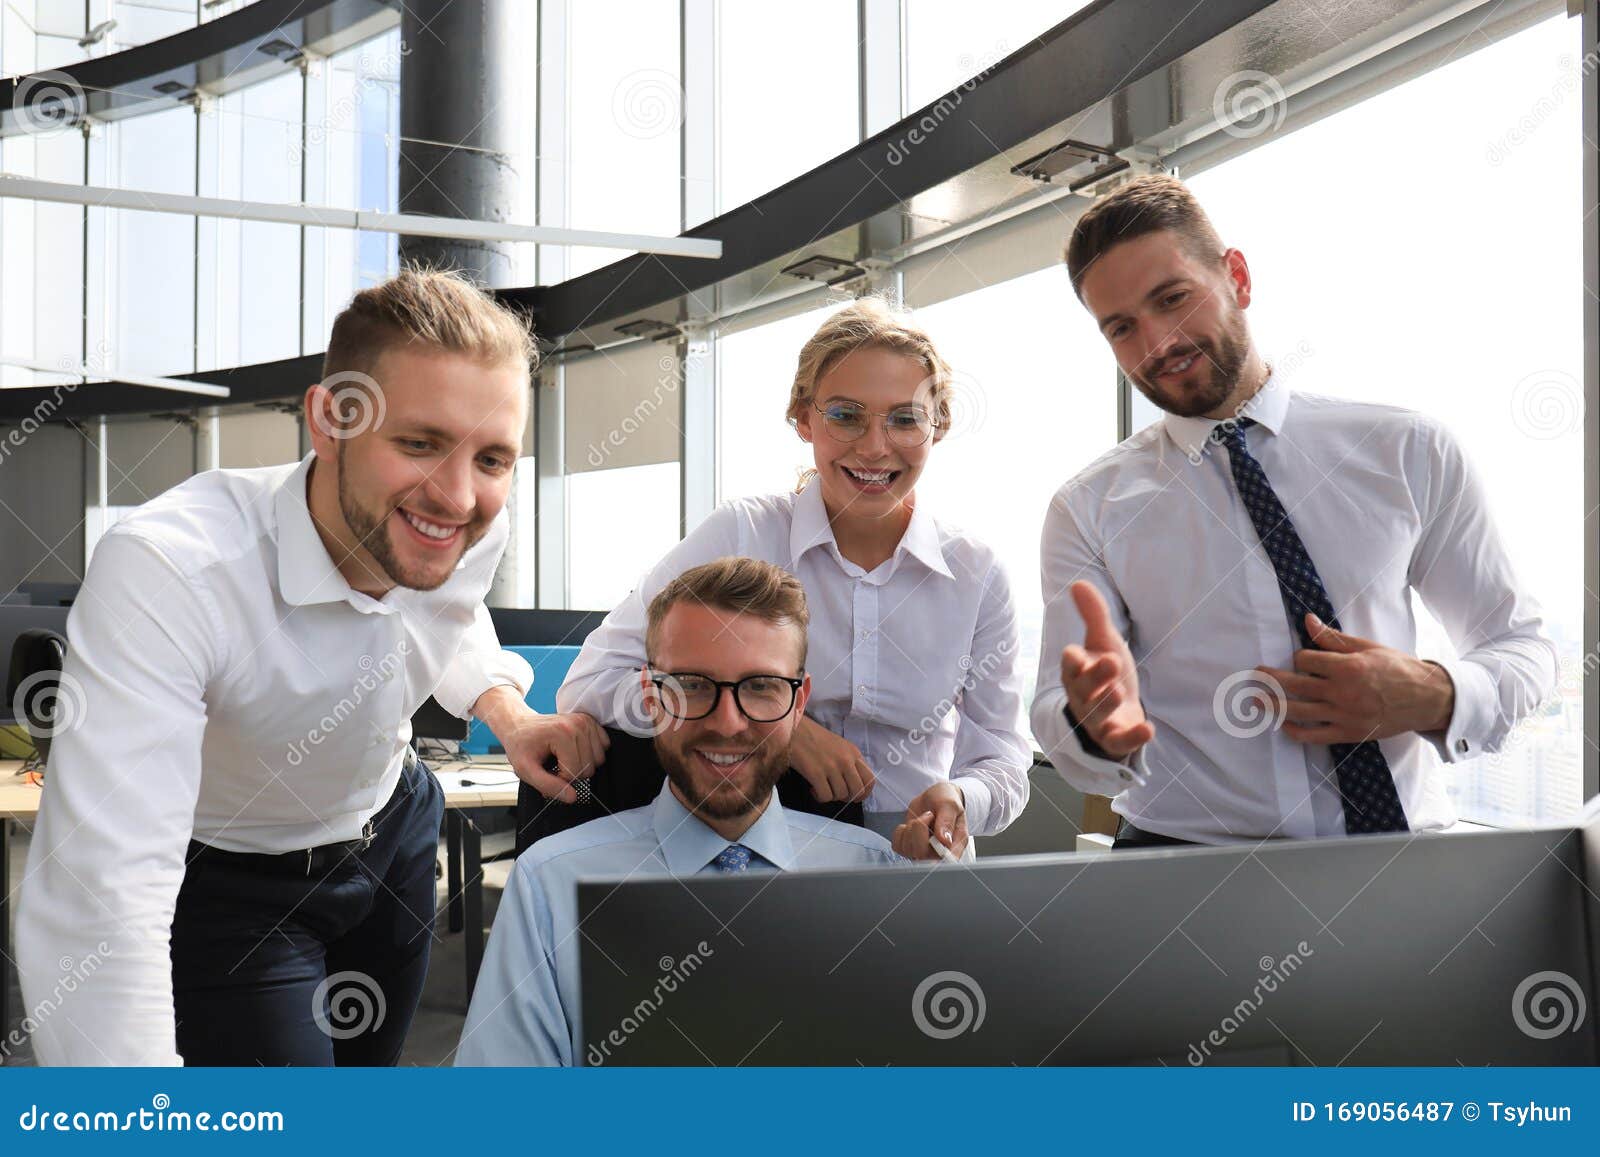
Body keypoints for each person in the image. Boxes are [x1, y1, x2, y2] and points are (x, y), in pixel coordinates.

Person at [16, 268, 608, 1065]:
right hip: (239, 886)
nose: (459, 496)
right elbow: (103, 899)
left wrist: (507, 708)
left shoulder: (462, 522)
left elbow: (446, 614)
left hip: (394, 836)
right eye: (420, 443)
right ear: (330, 419)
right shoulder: (174, 569)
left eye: (494, 458)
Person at [1033, 174, 1556, 848]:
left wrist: (1432, 692)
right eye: (1122, 327)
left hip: (1403, 864)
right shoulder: (1088, 507)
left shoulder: (1406, 449)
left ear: (1238, 280)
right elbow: (1055, 704)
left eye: (1173, 298)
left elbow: (1522, 647)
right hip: (1178, 874)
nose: (1157, 342)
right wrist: (1092, 722)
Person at [557, 297, 1031, 860]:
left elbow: (1003, 757)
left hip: (914, 862)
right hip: (758, 854)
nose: (875, 446)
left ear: (938, 426)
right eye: (846, 415)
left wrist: (960, 798)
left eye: (905, 418)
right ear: (805, 418)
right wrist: (782, 728)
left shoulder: (975, 573)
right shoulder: (742, 533)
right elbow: (593, 680)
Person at [456, 557, 905, 1066]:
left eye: (761, 687)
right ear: (649, 695)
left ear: (799, 703)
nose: (729, 723)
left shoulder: (877, 877)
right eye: (692, 685)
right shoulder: (551, 884)